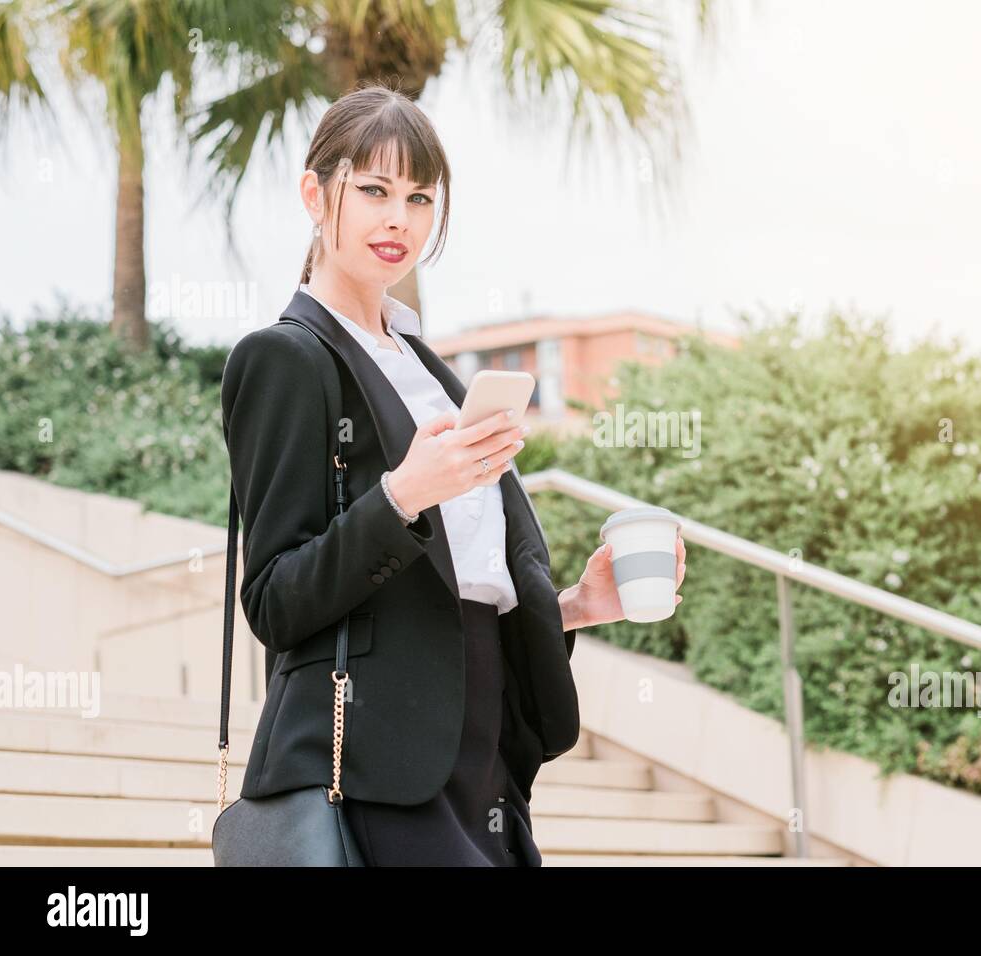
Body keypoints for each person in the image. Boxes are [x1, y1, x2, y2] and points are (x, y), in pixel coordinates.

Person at [220, 81, 685, 866]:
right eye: (371, 189)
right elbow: (274, 598)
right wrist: (404, 493)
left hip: (484, 754)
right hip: (369, 763)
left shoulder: (431, 372)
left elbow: (455, 587)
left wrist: (574, 606)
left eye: (420, 196)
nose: (397, 218)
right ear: (314, 192)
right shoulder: (287, 358)